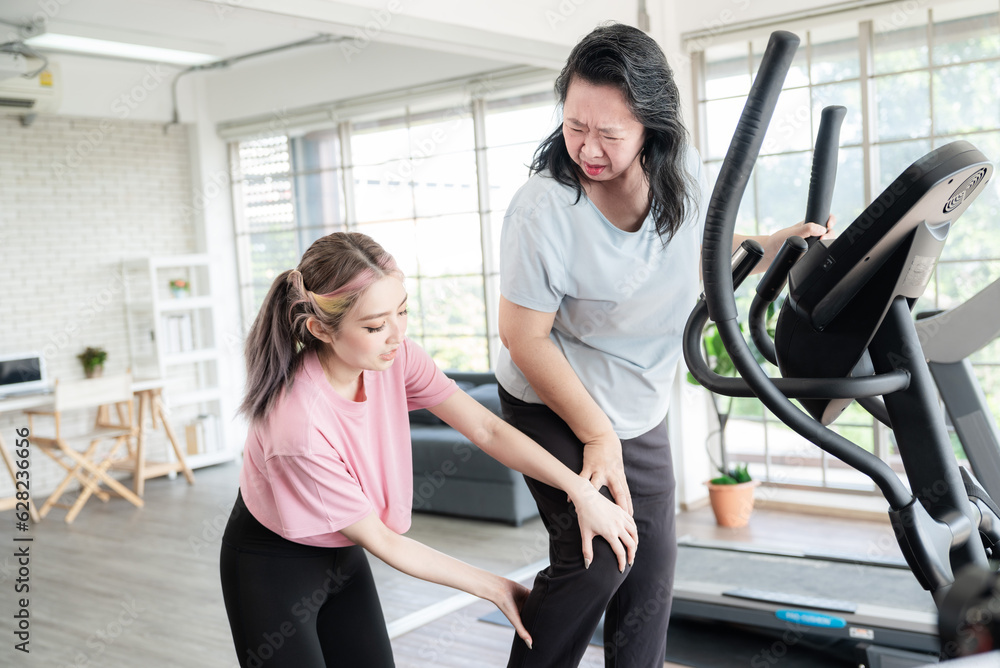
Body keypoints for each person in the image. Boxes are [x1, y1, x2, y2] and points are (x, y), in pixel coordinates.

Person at [497, 23, 834, 668]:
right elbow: (523, 337)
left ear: (651, 125)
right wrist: (597, 435)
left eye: (609, 133)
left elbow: (711, 251)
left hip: (638, 401)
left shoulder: (682, 172)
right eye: (574, 125)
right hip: (552, 397)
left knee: (649, 570)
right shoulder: (542, 210)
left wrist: (783, 245)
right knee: (598, 560)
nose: (586, 147)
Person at [219, 231, 639, 668]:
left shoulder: (395, 358)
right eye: (375, 326)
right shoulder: (298, 429)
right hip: (273, 564)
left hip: (341, 550)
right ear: (320, 328)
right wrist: (494, 586)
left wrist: (581, 491)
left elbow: (486, 429)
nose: (397, 335)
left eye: (402, 312)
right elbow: (384, 541)